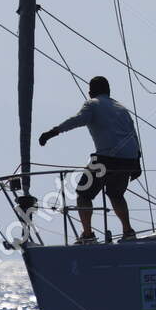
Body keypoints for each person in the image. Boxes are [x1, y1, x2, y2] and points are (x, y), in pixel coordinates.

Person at [38, 76, 143, 243]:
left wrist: (52, 132)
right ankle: (128, 232)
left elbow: (77, 120)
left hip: (106, 160)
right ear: (108, 91)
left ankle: (87, 235)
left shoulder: (92, 104)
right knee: (116, 195)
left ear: (91, 91)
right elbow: (133, 134)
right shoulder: (122, 108)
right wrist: (137, 163)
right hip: (128, 160)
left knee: (83, 194)